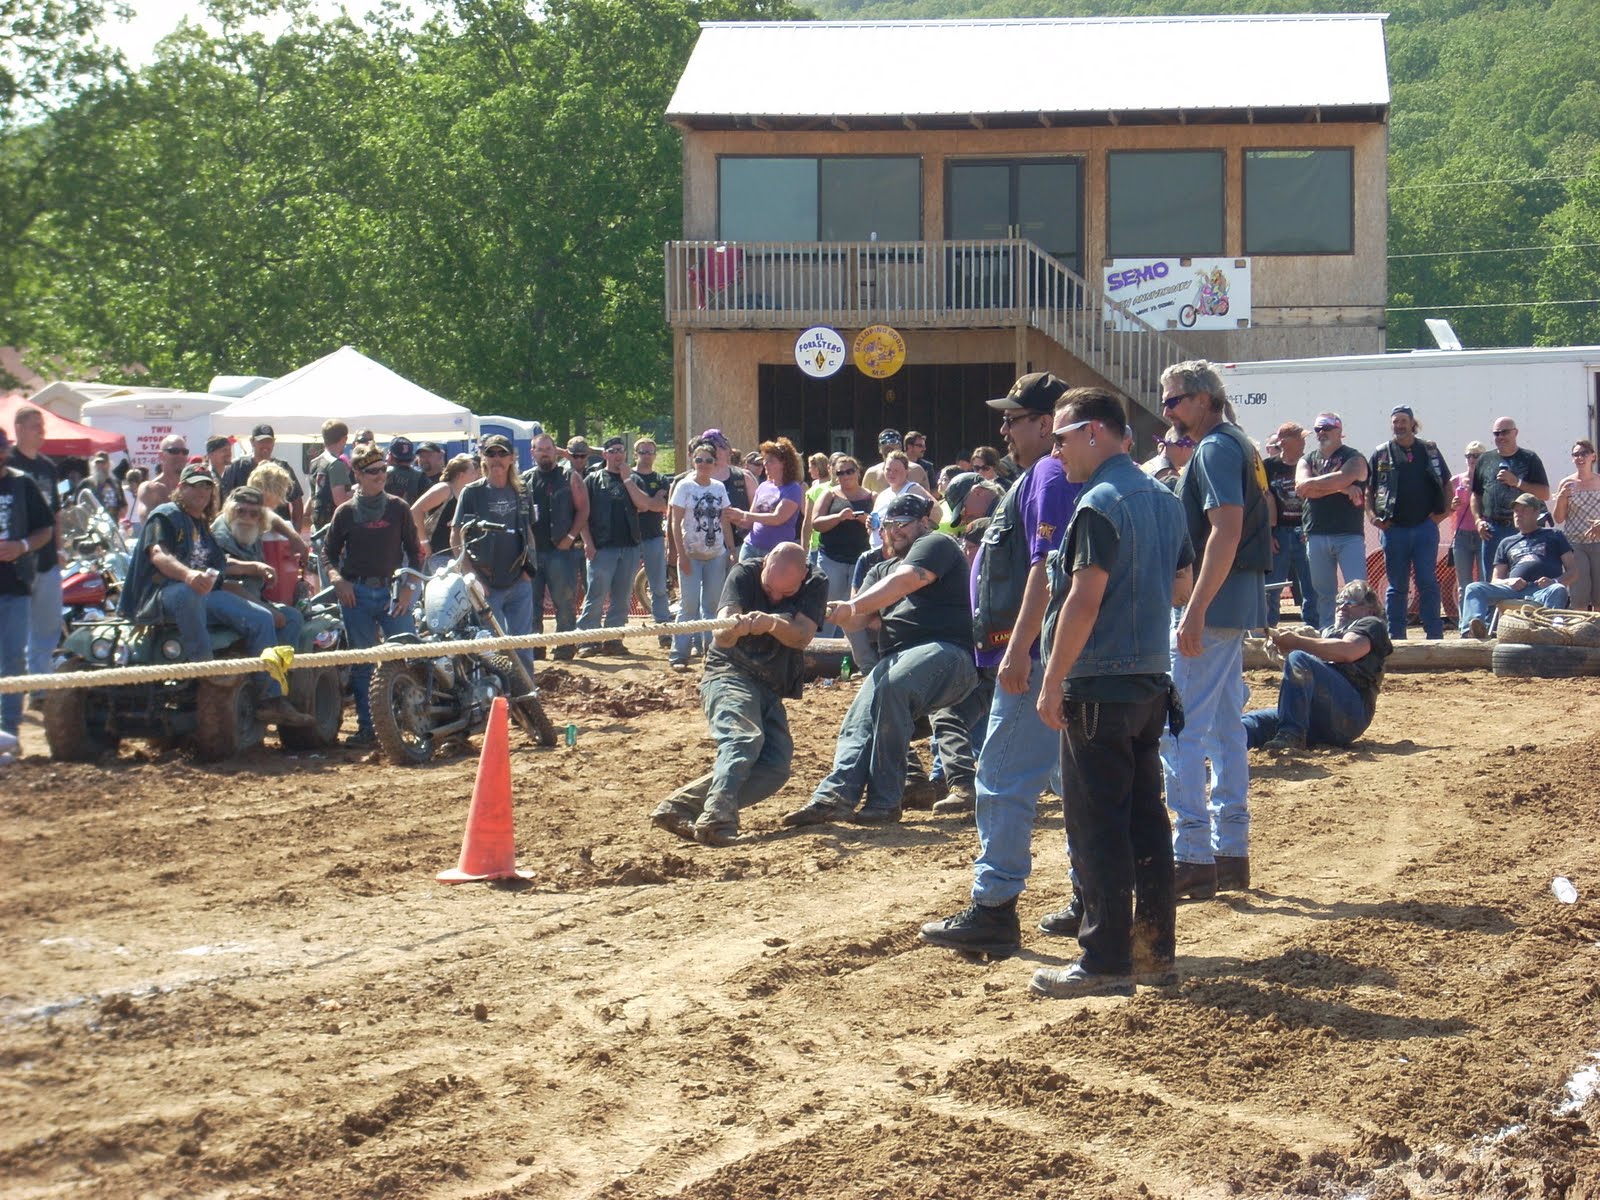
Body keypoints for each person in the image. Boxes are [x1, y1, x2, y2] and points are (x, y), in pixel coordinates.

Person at [1015, 387, 1191, 995]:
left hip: (1097, 685)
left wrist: (1054, 679)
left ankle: (1104, 962)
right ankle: (1152, 956)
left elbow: (1084, 600)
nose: (1055, 451)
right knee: (1147, 822)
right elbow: (1182, 584)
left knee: (1097, 826)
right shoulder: (1165, 500)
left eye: (1061, 438)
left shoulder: (1099, 505)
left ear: (1094, 433)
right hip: (1148, 680)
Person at [920, 372, 1083, 959]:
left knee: (1002, 777)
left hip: (1035, 657)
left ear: (1046, 423)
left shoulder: (1047, 473)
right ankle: (1092, 895)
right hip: (1045, 653)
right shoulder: (1046, 474)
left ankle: (993, 907)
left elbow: (1049, 571)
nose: (1003, 428)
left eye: (1013, 418)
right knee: (1071, 781)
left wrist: (1019, 648)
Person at [782, 493, 982, 828]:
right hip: (898, 660)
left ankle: (885, 801)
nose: (895, 531)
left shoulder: (938, 544)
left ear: (924, 522)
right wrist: (827, 610)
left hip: (949, 654)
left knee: (892, 686)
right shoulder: (879, 570)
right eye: (889, 525)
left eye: (903, 524)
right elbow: (860, 619)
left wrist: (855, 606)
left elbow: (907, 581)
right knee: (857, 719)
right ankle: (834, 797)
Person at [1161, 360, 1272, 900]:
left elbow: (1223, 532)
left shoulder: (1215, 448)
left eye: (1174, 399)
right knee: (1226, 726)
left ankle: (1193, 854)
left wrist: (1196, 609)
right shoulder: (1237, 444)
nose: (1168, 411)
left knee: (1179, 727)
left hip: (1216, 603)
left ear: (1204, 398)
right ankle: (1229, 852)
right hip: (1236, 600)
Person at [650, 543, 826, 845]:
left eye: (785, 595)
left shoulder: (816, 582)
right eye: (770, 588)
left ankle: (681, 807)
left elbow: (801, 636)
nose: (774, 597)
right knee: (743, 738)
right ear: (765, 562)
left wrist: (771, 623)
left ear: (804, 575)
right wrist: (735, 627)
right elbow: (722, 635)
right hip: (728, 673)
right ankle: (717, 817)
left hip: (770, 684)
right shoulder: (743, 573)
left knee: (774, 766)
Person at [118, 464, 311, 727]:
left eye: (206, 486)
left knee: (266, 618)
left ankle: (271, 698)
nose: (201, 491)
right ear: (181, 488)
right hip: (160, 593)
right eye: (194, 485)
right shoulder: (166, 514)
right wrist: (188, 575)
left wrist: (253, 567)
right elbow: (158, 554)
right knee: (192, 592)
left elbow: (220, 566)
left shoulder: (199, 523)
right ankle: (206, 669)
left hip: (202, 594)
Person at [324, 446, 423, 745]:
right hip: (357, 592)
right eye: (373, 472)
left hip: (393, 591)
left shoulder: (398, 508)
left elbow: (415, 554)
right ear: (357, 475)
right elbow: (327, 555)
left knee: (408, 656)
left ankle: (413, 721)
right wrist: (337, 580)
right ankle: (369, 728)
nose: (380, 476)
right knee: (363, 663)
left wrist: (408, 587)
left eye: (383, 470)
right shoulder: (345, 512)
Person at [1244, 580, 1393, 753]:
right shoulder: (1328, 632)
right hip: (1315, 716)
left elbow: (1348, 651)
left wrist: (1298, 643)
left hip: (1351, 713)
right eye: (1341, 601)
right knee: (1251, 722)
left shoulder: (1373, 624)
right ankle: (1212, 747)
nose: (1343, 607)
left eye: (1352, 602)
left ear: (1370, 610)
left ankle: (1290, 735)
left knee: (1299, 658)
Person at [453, 434, 538, 672]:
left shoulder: (522, 491)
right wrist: (473, 579)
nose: (497, 459)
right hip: (485, 583)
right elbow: (456, 536)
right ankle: (495, 698)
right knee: (493, 650)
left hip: (518, 580)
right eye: (491, 453)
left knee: (523, 645)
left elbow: (529, 531)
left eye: (502, 453)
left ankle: (526, 699)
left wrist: (529, 569)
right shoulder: (472, 492)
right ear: (483, 458)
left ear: (512, 458)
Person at [1367, 405, 1452, 640]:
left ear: (1413, 423)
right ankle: (1396, 635)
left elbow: (1446, 483)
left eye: (1403, 421)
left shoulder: (1430, 451)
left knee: (1427, 582)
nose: (1399, 426)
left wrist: (1441, 515)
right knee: (1397, 586)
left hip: (1425, 528)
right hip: (1394, 529)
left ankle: (1434, 634)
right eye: (1395, 422)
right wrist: (1373, 517)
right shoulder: (1382, 453)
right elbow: (1370, 490)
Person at [0, 428, 55, 741]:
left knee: (13, 658)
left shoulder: (22, 484)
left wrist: (21, 546)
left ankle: (8, 728)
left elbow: (45, 529)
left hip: (15, 585)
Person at [1460, 492, 1575, 638]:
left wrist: (1554, 581)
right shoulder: (1506, 542)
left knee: (1558, 589)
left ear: (1536, 513)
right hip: (1512, 590)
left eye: (1524, 510)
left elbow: (1573, 572)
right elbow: (1495, 580)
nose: (1518, 514)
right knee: (1474, 588)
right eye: (1516, 511)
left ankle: (1549, 635)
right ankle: (1471, 633)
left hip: (1543, 590)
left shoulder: (1554, 535)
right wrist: (1509, 581)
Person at [8, 405, 65, 691]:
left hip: (45, 557)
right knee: (13, 628)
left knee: (47, 626)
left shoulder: (48, 467)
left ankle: (39, 688)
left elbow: (55, 514)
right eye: (35, 427)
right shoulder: (9, 466)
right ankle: (11, 687)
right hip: (13, 563)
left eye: (42, 427)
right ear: (18, 428)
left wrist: (61, 549)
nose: (41, 432)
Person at [578, 436, 651, 656]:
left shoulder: (634, 479)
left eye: (621, 450)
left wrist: (628, 480)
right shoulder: (592, 480)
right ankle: (587, 640)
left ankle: (613, 640)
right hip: (602, 547)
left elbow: (644, 505)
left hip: (629, 547)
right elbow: (582, 515)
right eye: (613, 450)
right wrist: (588, 543)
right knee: (596, 595)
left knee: (622, 597)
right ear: (605, 454)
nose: (618, 454)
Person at [210, 486, 305, 650]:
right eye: (241, 511)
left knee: (293, 617)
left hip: (252, 595)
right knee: (268, 618)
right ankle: (266, 673)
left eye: (253, 514)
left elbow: (271, 517)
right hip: (228, 598)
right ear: (231, 511)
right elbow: (225, 581)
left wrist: (294, 537)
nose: (246, 518)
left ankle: (283, 668)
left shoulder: (252, 526)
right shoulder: (221, 535)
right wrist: (256, 568)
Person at [1296, 412, 1369, 625]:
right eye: (1318, 429)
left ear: (1339, 431)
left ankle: (1361, 630)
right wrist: (1344, 489)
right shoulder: (1307, 459)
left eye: (1327, 428)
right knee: (1324, 594)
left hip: (1349, 535)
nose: (1321, 433)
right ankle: (1327, 632)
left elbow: (1342, 477)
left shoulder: (1354, 458)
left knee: (1358, 591)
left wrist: (1334, 484)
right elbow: (1301, 487)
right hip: (1317, 534)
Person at [668, 440, 736, 669]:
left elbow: (725, 519)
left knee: (712, 606)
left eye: (708, 460)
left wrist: (732, 548)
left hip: (716, 554)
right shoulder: (684, 487)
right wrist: (680, 555)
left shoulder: (718, 487)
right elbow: (675, 523)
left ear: (715, 463)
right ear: (693, 461)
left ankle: (711, 653)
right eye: (699, 460)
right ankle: (679, 654)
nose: (704, 464)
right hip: (691, 553)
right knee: (688, 606)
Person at [523, 434, 589, 660]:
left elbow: (584, 510)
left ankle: (565, 646)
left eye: (548, 448)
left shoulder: (570, 477)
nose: (544, 452)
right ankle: (535, 648)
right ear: (532, 452)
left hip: (561, 551)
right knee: (531, 603)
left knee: (565, 601)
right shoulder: (524, 481)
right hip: (532, 553)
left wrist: (570, 537)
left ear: (555, 451)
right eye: (539, 449)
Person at [1472, 417, 1550, 581]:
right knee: (1492, 583)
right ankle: (1493, 608)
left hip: (1523, 530)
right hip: (1492, 531)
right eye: (1496, 433)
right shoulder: (1484, 460)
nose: (1500, 437)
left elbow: (1544, 494)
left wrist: (1518, 482)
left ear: (1516, 433)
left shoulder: (1529, 458)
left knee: (1523, 579)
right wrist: (1478, 520)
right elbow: (1476, 495)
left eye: (1505, 432)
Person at [810, 455, 874, 632]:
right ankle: (823, 650)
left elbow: (880, 526)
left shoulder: (871, 496)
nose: (845, 476)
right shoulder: (829, 494)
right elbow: (816, 523)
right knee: (828, 607)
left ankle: (851, 648)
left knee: (856, 608)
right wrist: (838, 517)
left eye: (849, 471)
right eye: (840, 472)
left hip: (860, 561)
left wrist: (867, 521)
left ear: (858, 472)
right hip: (832, 559)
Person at [1264, 422, 1315, 627]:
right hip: (1279, 534)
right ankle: (1268, 631)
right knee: (1272, 587)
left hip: (1305, 532)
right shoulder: (1269, 467)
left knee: (1310, 587)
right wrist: (1268, 534)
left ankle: (1314, 630)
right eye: (1300, 438)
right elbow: (1262, 500)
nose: (1304, 442)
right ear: (1285, 442)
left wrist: (1311, 529)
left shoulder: (1309, 464)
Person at [734, 437, 804, 561]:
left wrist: (744, 514)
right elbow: (750, 520)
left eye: (770, 461)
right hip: (751, 546)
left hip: (776, 552)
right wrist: (733, 516)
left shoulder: (793, 489)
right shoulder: (763, 486)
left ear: (784, 463)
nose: (765, 464)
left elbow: (777, 518)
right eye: (764, 461)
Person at [1550, 439, 1600, 609]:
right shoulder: (1566, 483)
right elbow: (1559, 518)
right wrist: (1562, 497)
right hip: (1575, 544)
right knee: (1579, 595)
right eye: (1576, 454)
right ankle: (1581, 633)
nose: (1580, 458)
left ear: (1593, 456)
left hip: (1599, 542)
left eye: (1584, 453)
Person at [220, 424, 304, 526]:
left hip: (277, 530)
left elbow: (297, 501)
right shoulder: (237, 467)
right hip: (245, 529)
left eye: (269, 441)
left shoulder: (283, 468)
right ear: (252, 442)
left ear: (273, 442)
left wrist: (296, 529)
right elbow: (225, 500)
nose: (265, 445)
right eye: (261, 441)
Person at [631, 438, 673, 630]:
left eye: (650, 452)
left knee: (658, 586)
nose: (646, 456)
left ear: (655, 455)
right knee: (621, 588)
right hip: (628, 537)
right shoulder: (628, 478)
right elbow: (635, 508)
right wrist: (652, 501)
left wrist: (645, 502)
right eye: (642, 452)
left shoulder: (661, 479)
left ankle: (663, 626)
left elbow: (664, 507)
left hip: (654, 537)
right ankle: (615, 632)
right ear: (635, 454)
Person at [412, 454, 479, 564]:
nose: (476, 475)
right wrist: (423, 541)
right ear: (461, 475)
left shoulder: (465, 493)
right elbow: (415, 510)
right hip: (438, 553)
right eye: (472, 472)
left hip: (455, 554)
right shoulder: (445, 489)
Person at [867, 452, 935, 551]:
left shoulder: (913, 489)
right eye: (888, 470)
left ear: (906, 471)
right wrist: (870, 525)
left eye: (896, 470)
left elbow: (937, 512)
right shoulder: (882, 495)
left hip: (901, 551)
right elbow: (875, 528)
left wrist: (914, 536)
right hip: (877, 550)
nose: (891, 474)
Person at [1450, 442, 1487, 613]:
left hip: (1482, 534)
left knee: (1482, 581)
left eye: (1476, 455)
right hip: (1462, 535)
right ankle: (1464, 624)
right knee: (1463, 583)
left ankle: (1482, 621)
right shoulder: (1456, 480)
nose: (1472, 459)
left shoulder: (1487, 479)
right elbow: (1445, 507)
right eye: (1469, 456)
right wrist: (1452, 505)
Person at [306, 419, 354, 532]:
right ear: (344, 439)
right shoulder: (336, 464)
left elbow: (313, 496)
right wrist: (358, 492)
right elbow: (340, 500)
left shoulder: (314, 462)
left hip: (317, 526)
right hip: (333, 528)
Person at [136, 434, 188, 524]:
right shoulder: (151, 489)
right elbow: (147, 523)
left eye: (184, 452)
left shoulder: (191, 487)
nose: (180, 455)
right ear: (161, 455)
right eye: (174, 451)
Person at [863, 429, 930, 493]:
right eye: (884, 443)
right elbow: (863, 500)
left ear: (900, 447)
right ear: (879, 449)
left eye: (893, 442)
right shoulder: (872, 473)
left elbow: (929, 500)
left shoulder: (917, 470)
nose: (889, 444)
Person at [799, 452, 833, 564]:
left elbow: (807, 518)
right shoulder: (815, 484)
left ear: (817, 468)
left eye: (810, 468)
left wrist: (803, 548)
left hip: (818, 542)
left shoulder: (815, 490)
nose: (809, 471)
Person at [384, 436, 428, 506]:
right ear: (412, 458)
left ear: (390, 456)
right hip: (410, 515)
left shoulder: (378, 474)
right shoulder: (420, 477)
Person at [85, 452, 125, 520]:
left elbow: (123, 504)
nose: (100, 466)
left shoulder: (115, 483)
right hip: (94, 522)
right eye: (97, 463)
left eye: (103, 463)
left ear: (109, 464)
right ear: (93, 465)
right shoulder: (87, 483)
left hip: (113, 523)